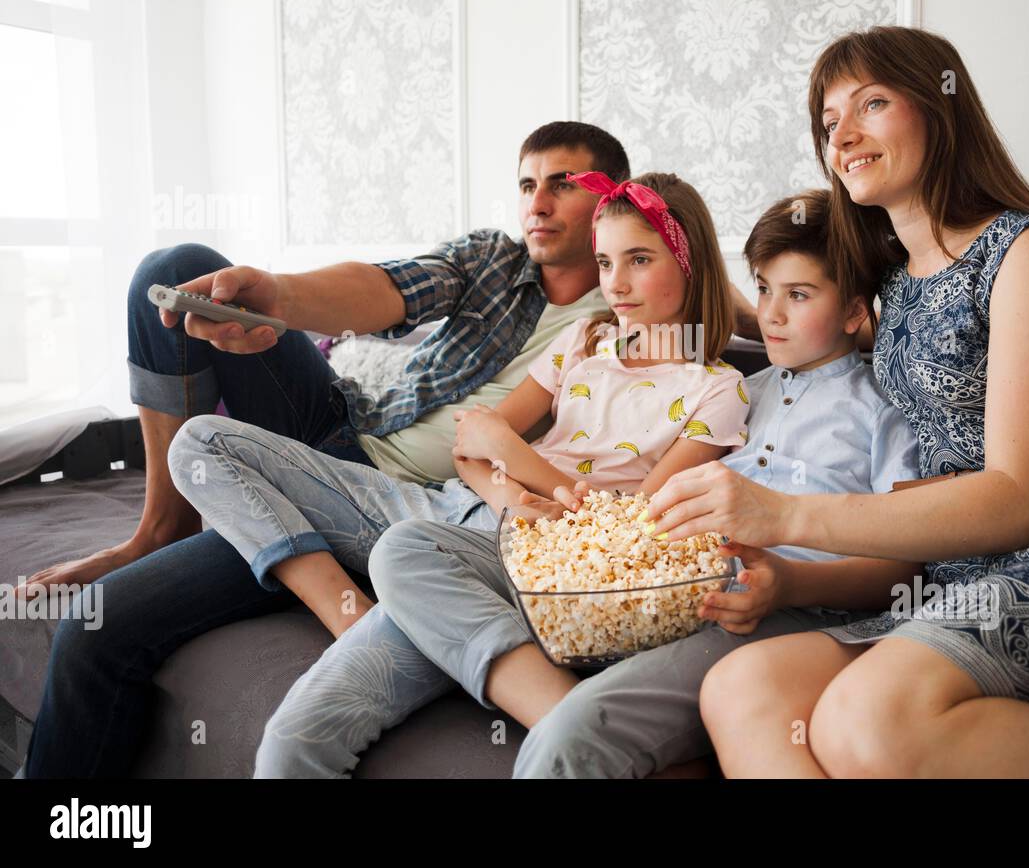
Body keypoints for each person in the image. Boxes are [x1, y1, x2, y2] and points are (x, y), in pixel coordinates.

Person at [642, 26, 1029, 778]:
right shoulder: (889, 286)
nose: (845, 134)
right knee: (742, 688)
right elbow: (780, 315)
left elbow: (1021, 499)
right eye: (829, 123)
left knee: (864, 717)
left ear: (939, 108)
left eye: (872, 104)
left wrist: (781, 514)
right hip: (975, 573)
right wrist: (664, 290)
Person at [20, 121, 630, 777]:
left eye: (562, 186)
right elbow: (388, 286)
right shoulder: (495, 261)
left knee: (97, 629)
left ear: (615, 199)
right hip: (338, 429)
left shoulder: (632, 313)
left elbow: (724, 301)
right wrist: (282, 298)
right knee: (174, 271)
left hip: (408, 509)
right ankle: (164, 524)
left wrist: (747, 306)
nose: (535, 204)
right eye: (527, 185)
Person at [252, 187, 920, 778]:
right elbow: (489, 451)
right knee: (304, 720)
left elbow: (904, 562)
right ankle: (544, 683)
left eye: (796, 296)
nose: (771, 316)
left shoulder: (852, 406)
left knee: (564, 747)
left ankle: (563, 703)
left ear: (858, 313)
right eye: (765, 291)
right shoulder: (751, 386)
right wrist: (512, 486)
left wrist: (788, 581)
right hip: (574, 566)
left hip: (717, 599)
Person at [165, 171, 749, 642]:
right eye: (605, 262)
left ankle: (387, 616)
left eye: (639, 260)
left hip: (526, 550)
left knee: (396, 567)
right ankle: (350, 616)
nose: (616, 283)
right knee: (201, 441)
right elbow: (470, 445)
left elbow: (636, 529)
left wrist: (513, 458)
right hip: (446, 504)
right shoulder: (586, 340)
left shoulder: (718, 389)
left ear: (690, 260)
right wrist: (505, 493)